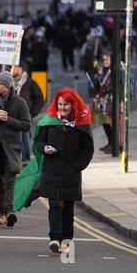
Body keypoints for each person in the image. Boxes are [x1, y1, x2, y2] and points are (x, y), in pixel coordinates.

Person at [35, 88, 94, 253]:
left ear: (73, 105)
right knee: (54, 205)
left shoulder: (82, 123)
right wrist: (44, 148)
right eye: (60, 104)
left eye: (66, 104)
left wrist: (78, 165)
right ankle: (54, 238)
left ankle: (67, 240)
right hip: (52, 171)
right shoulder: (50, 120)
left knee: (68, 208)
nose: (62, 107)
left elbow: (88, 149)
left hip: (71, 173)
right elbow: (38, 142)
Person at [0, 71, 31, 227]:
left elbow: (26, 125)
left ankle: (10, 212)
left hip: (12, 148)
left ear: (8, 85)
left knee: (10, 181)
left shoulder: (19, 102)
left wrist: (8, 119)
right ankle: (2, 212)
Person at [11, 61, 45, 164]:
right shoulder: (8, 83)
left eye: (15, 67)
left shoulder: (30, 83)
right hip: (11, 115)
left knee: (25, 137)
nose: (12, 69)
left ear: (21, 69)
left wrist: (33, 113)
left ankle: (25, 159)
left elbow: (39, 98)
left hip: (25, 116)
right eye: (11, 67)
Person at [94, 53, 113, 153]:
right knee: (104, 123)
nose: (105, 61)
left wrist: (100, 76)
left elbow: (105, 84)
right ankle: (110, 142)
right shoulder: (103, 70)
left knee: (110, 123)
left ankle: (113, 144)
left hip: (109, 101)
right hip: (102, 101)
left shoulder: (112, 70)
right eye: (103, 59)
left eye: (107, 59)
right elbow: (97, 86)